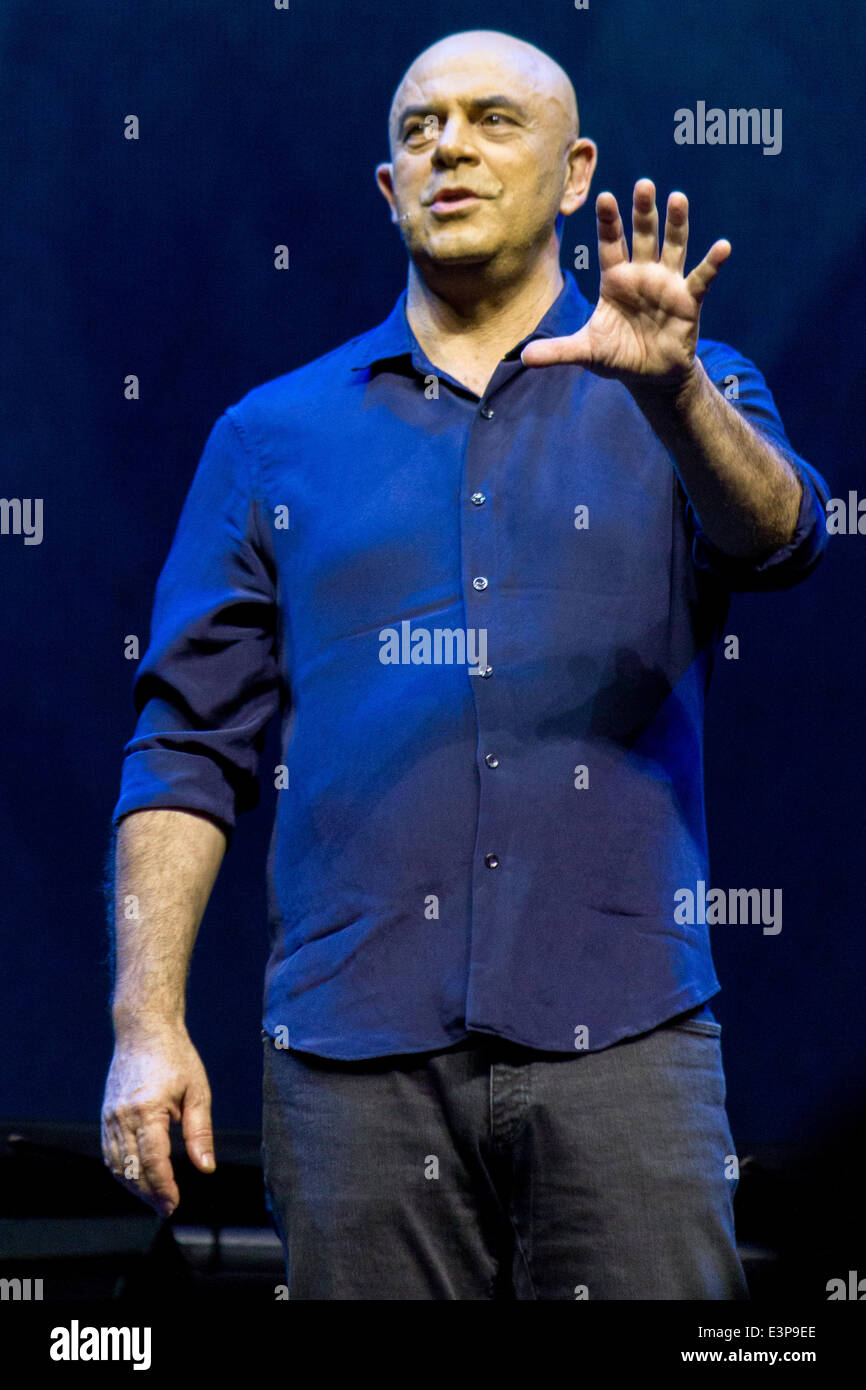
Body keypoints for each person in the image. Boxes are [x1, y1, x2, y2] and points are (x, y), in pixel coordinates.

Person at [102, 29, 829, 1299]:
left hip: (624, 1038)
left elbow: (777, 537)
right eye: (419, 128)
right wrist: (143, 1024)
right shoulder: (270, 436)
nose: (448, 144)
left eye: (492, 119)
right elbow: (186, 744)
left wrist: (673, 400)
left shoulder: (691, 387)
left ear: (571, 170)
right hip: (349, 1059)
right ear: (388, 189)